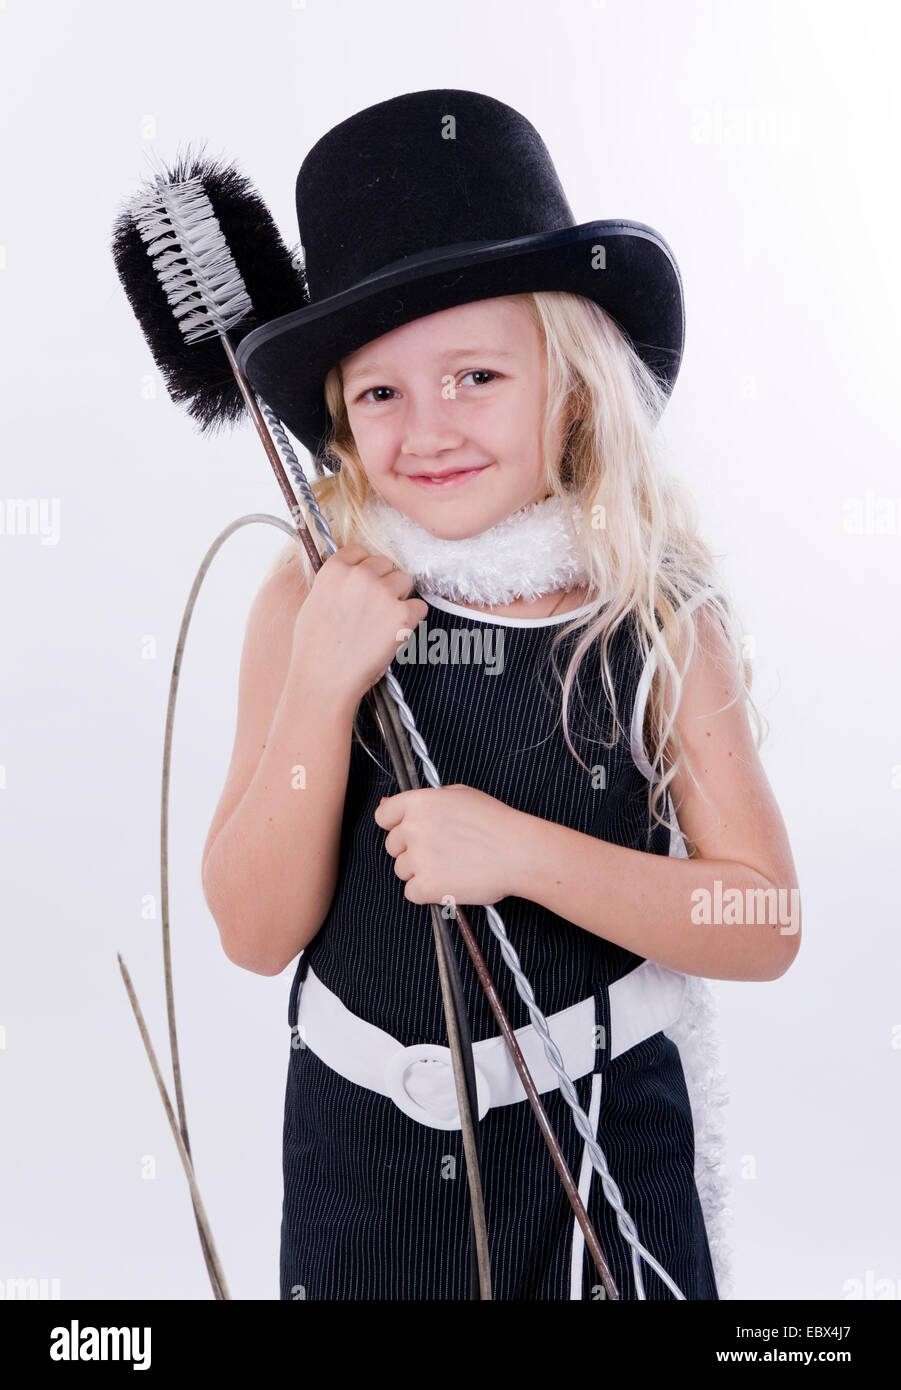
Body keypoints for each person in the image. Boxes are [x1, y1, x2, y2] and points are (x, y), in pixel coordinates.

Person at [202, 89, 801, 1300]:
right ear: (336, 421)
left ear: (572, 386)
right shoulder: (309, 596)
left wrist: (518, 851)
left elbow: (763, 922)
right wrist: (322, 682)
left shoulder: (652, 611)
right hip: (362, 1171)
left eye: (474, 374)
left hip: (602, 1150)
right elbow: (254, 933)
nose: (429, 428)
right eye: (380, 393)